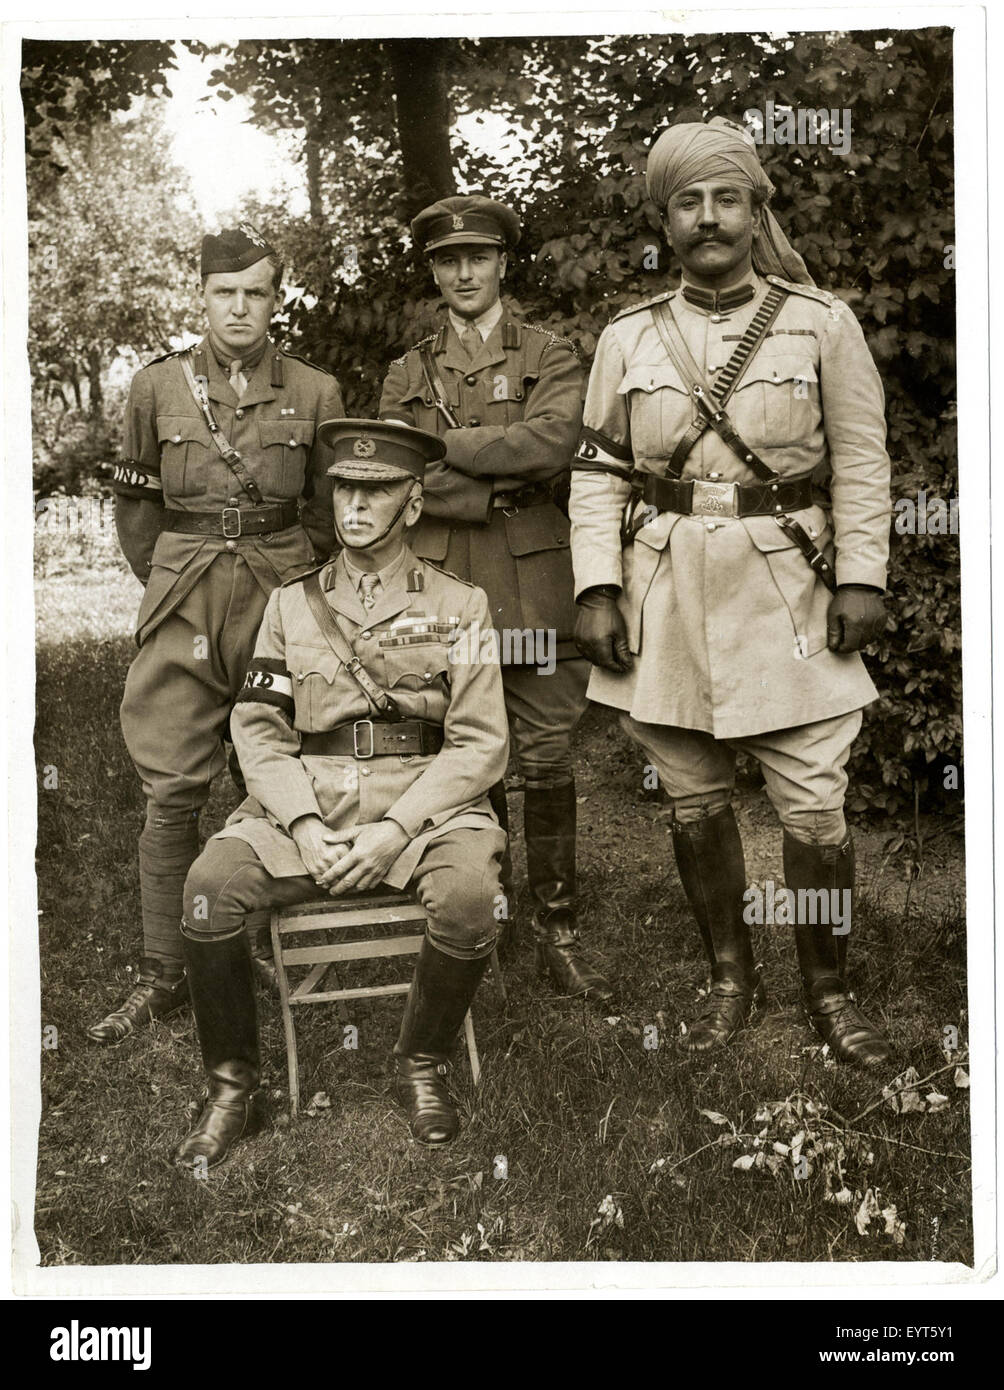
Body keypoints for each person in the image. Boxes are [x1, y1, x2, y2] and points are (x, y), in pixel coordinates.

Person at [570, 117, 893, 1068]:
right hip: (664, 590)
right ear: (665, 220)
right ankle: (729, 979)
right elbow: (599, 471)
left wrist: (864, 575)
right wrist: (597, 586)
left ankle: (830, 995)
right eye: (687, 202)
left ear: (757, 209)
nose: (707, 219)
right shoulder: (627, 336)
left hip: (790, 588)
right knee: (692, 799)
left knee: (814, 807)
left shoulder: (822, 323)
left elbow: (864, 462)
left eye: (725, 198)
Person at [172, 419, 509, 1167]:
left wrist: (394, 830)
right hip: (311, 798)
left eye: (376, 490)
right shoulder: (292, 604)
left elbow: (481, 743)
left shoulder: (462, 606)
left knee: (465, 899)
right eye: (344, 488)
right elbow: (258, 729)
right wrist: (302, 823)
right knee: (207, 890)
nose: (354, 504)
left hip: (426, 804)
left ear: (413, 506)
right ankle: (234, 1089)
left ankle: (421, 1061)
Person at [88, 224, 345, 1045]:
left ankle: (262, 937)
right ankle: (164, 971)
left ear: (276, 301)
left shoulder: (315, 389)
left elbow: (329, 510)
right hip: (187, 593)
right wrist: (167, 584)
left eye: (256, 293)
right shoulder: (154, 388)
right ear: (200, 297)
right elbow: (137, 507)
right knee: (172, 787)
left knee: (281, 771)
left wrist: (304, 593)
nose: (240, 308)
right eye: (224, 293)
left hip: (281, 596)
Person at [379, 194, 612, 1004]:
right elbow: (391, 470)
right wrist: (482, 481)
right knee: (460, 747)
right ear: (434, 271)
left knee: (545, 752)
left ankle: (558, 930)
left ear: (504, 263)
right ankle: (485, 917)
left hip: (532, 577)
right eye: (448, 260)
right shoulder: (408, 370)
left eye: (478, 256)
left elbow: (554, 443)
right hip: (444, 578)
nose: (464, 271)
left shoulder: (550, 353)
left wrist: (442, 452)